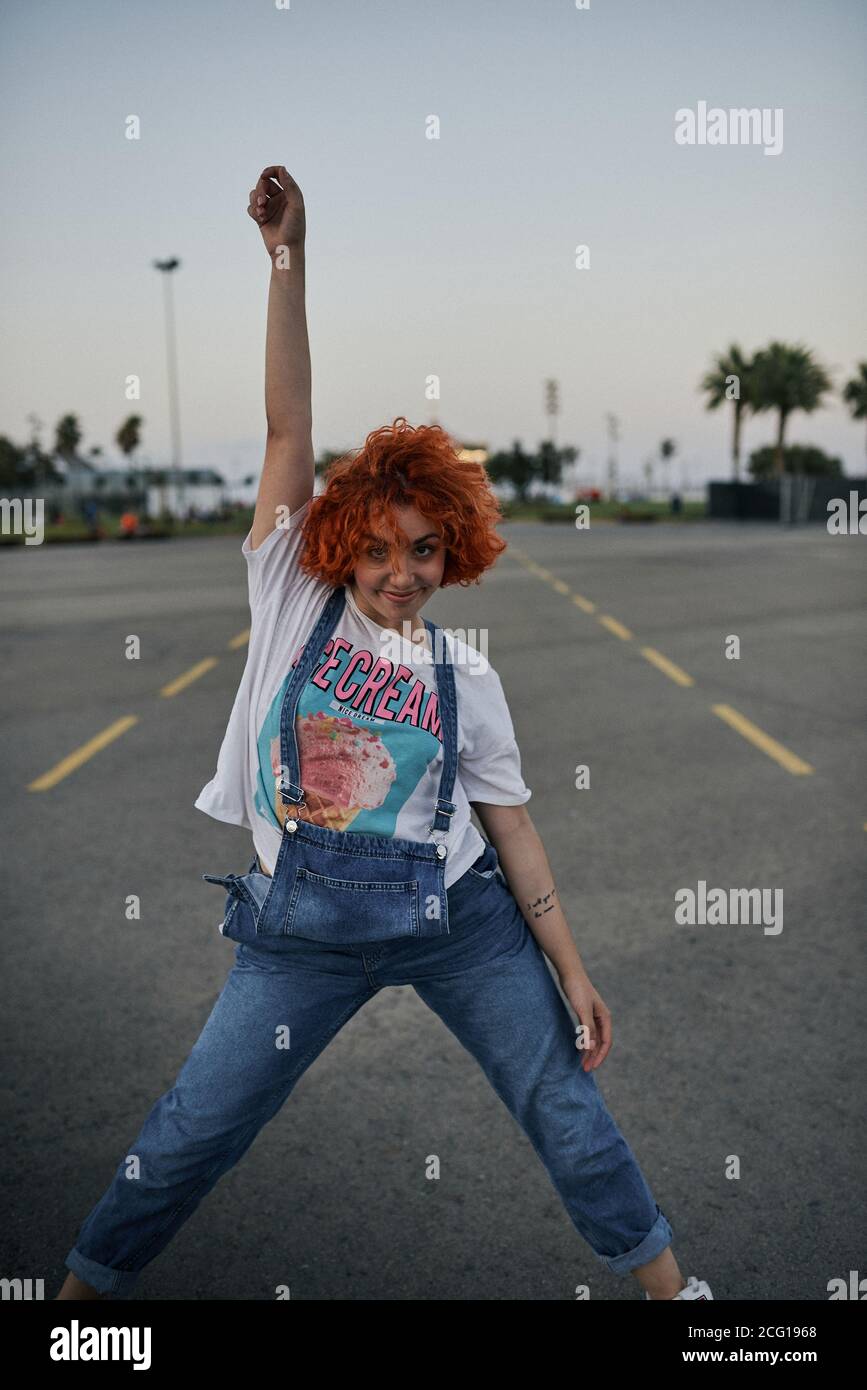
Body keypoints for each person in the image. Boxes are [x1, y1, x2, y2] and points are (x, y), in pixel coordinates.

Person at [56, 165, 712, 1302]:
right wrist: (286, 257)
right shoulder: (286, 595)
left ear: (451, 551)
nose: (400, 574)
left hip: (456, 920)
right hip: (301, 929)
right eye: (379, 548)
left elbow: (515, 837)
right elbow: (287, 423)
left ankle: (679, 1303)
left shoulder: (470, 680)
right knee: (190, 1130)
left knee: (565, 1108)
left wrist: (572, 967)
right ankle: (73, 1313)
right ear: (340, 542)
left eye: (424, 552)